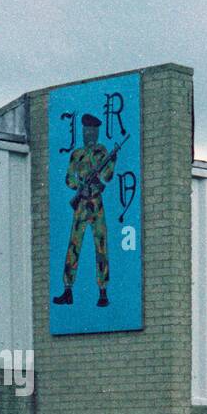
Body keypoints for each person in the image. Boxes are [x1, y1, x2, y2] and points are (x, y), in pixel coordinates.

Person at [52, 113, 115, 308]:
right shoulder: (76, 154)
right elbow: (69, 179)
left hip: (96, 203)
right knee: (74, 246)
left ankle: (103, 291)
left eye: (93, 131)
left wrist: (112, 161)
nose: (90, 134)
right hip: (81, 204)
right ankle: (68, 289)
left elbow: (108, 177)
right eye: (87, 130)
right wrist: (79, 185)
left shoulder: (102, 152)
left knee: (101, 246)